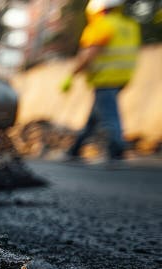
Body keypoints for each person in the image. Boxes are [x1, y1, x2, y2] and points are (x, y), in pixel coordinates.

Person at [60, 0, 141, 165]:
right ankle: (74, 149)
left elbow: (90, 54)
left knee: (109, 116)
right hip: (123, 77)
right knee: (95, 116)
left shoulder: (101, 25)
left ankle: (116, 150)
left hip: (105, 78)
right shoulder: (130, 26)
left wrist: (72, 75)